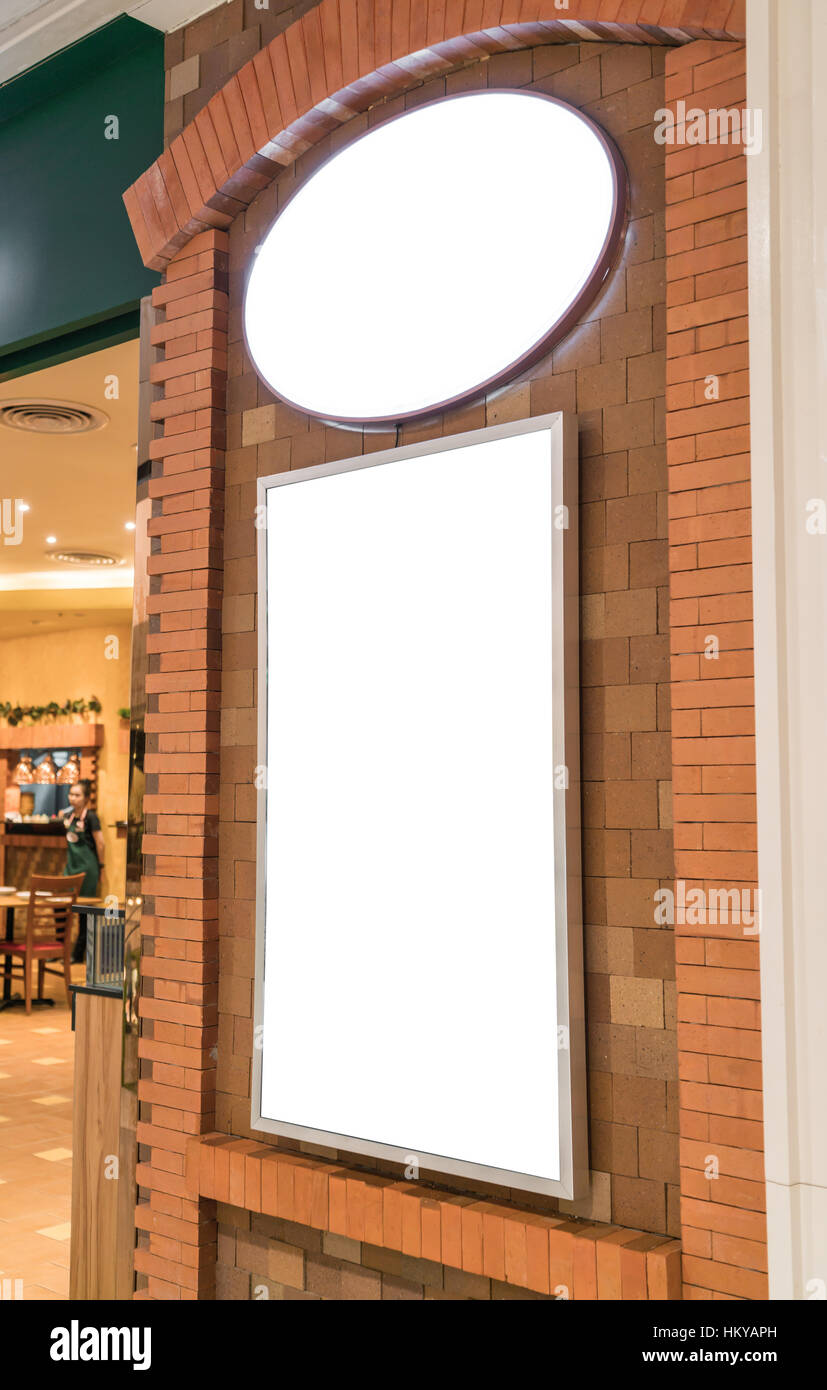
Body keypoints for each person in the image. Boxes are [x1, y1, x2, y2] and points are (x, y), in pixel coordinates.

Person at [63, 780, 105, 963]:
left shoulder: (91, 817)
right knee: (62, 908)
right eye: (71, 794)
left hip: (87, 869)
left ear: (86, 798)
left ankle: (78, 954)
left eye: (77, 795)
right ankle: (60, 950)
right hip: (71, 867)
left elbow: (100, 843)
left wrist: (102, 867)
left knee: (84, 912)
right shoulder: (69, 816)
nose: (72, 798)